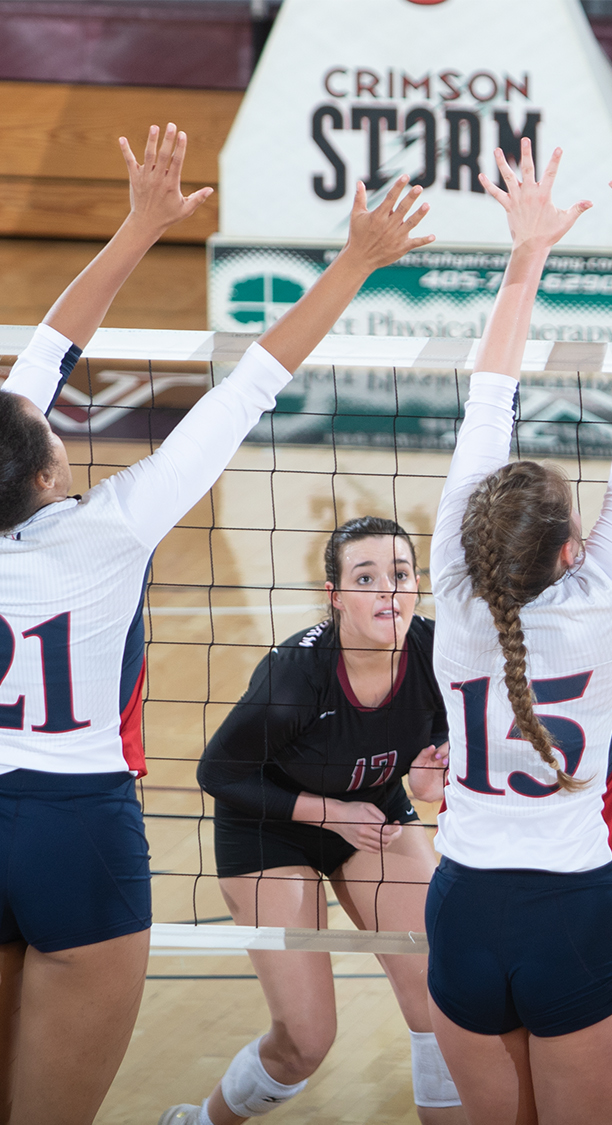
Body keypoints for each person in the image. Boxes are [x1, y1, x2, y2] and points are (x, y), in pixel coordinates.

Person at [0, 124, 430, 1124]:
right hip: (79, 833)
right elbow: (252, 381)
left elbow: (43, 360)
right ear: (49, 469)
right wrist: (356, 260)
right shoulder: (114, 529)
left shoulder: (23, 472)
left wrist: (141, 225)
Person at [422, 135, 612, 1123]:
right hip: (577, 915)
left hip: (459, 916)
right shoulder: (610, 602)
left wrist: (525, 253)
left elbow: (483, 403)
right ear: (569, 552)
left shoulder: (452, 603)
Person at [159, 518, 464, 1124]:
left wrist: (427, 777)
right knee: (305, 1041)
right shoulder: (295, 679)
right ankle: (202, 1122)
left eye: (401, 575)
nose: (388, 591)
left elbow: (429, 745)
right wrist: (331, 813)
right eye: (367, 577)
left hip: (371, 813)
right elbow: (218, 774)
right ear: (335, 595)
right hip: (269, 824)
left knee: (444, 1002)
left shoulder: (437, 649)